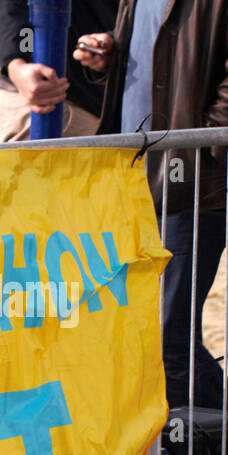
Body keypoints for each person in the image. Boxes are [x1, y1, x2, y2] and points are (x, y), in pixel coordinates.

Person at [74, 0, 228, 412]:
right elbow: (154, 59)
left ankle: (195, 452)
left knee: (168, 333)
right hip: (129, 176)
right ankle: (205, 441)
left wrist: (203, 144)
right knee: (143, 329)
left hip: (190, 184)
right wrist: (109, 52)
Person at [0, 0, 116, 141]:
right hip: (51, 102)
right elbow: (25, 25)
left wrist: (114, 39)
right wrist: (19, 64)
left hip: (110, 101)